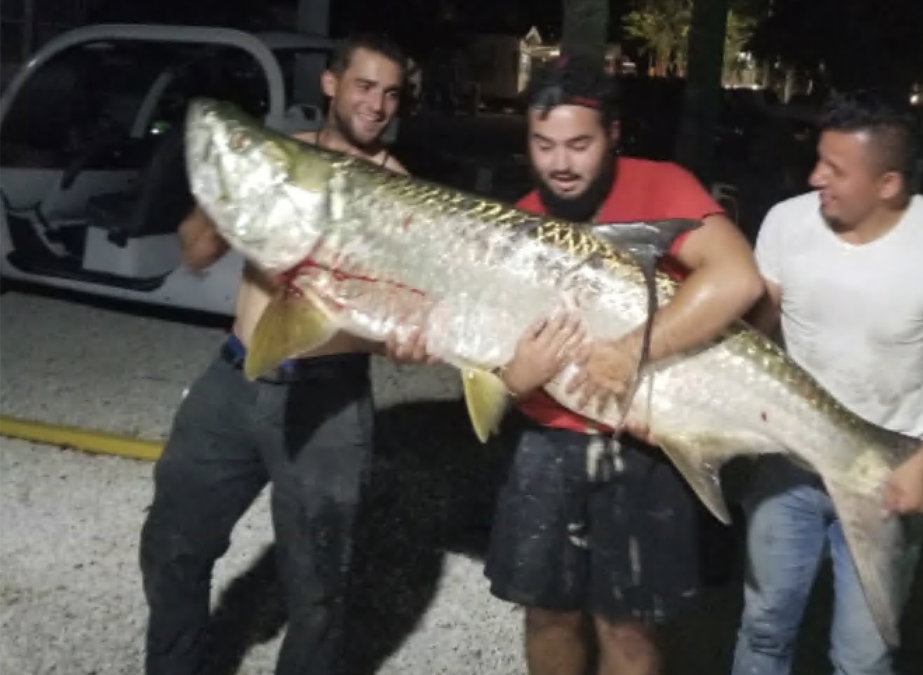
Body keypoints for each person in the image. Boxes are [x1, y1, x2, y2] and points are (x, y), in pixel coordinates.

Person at [138, 31, 427, 675]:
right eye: (363, 86)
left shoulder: (402, 195)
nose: (376, 105)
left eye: (390, 94)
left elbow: (400, 325)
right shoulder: (279, 158)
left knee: (318, 588)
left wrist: (407, 339)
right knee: (172, 546)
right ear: (331, 84)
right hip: (234, 380)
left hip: (328, 402)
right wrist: (226, 204)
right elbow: (194, 251)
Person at [480, 55, 764, 675]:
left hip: (646, 445)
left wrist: (628, 350)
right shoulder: (523, 216)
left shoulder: (661, 184)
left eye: (579, 144)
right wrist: (513, 380)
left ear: (613, 134)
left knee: (629, 629)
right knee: (547, 614)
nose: (560, 163)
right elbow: (488, 355)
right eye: (543, 143)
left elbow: (739, 278)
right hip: (546, 443)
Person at [730, 90, 923, 675]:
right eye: (819, 158)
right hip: (788, 464)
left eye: (835, 169)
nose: (815, 175)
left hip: (886, 472)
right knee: (765, 627)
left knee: (863, 654)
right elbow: (754, 334)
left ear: (888, 183)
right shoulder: (786, 223)